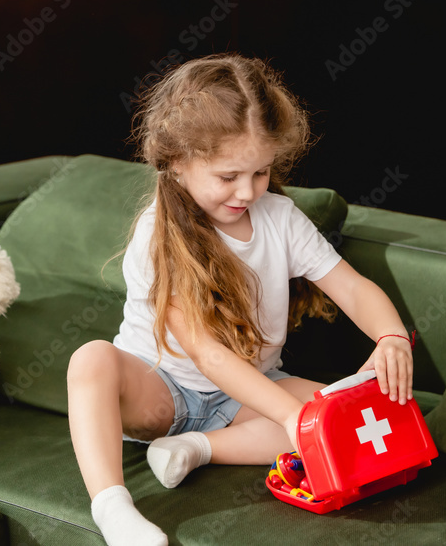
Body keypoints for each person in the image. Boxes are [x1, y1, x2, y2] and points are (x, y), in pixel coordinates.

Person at [66, 53, 414, 546]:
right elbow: (208, 354)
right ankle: (112, 509)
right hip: (160, 391)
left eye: (261, 172)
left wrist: (392, 335)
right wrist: (291, 417)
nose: (247, 192)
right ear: (177, 163)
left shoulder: (281, 219)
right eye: (228, 177)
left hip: (246, 392)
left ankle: (198, 448)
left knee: (338, 419)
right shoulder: (157, 235)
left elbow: (353, 287)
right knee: (91, 360)